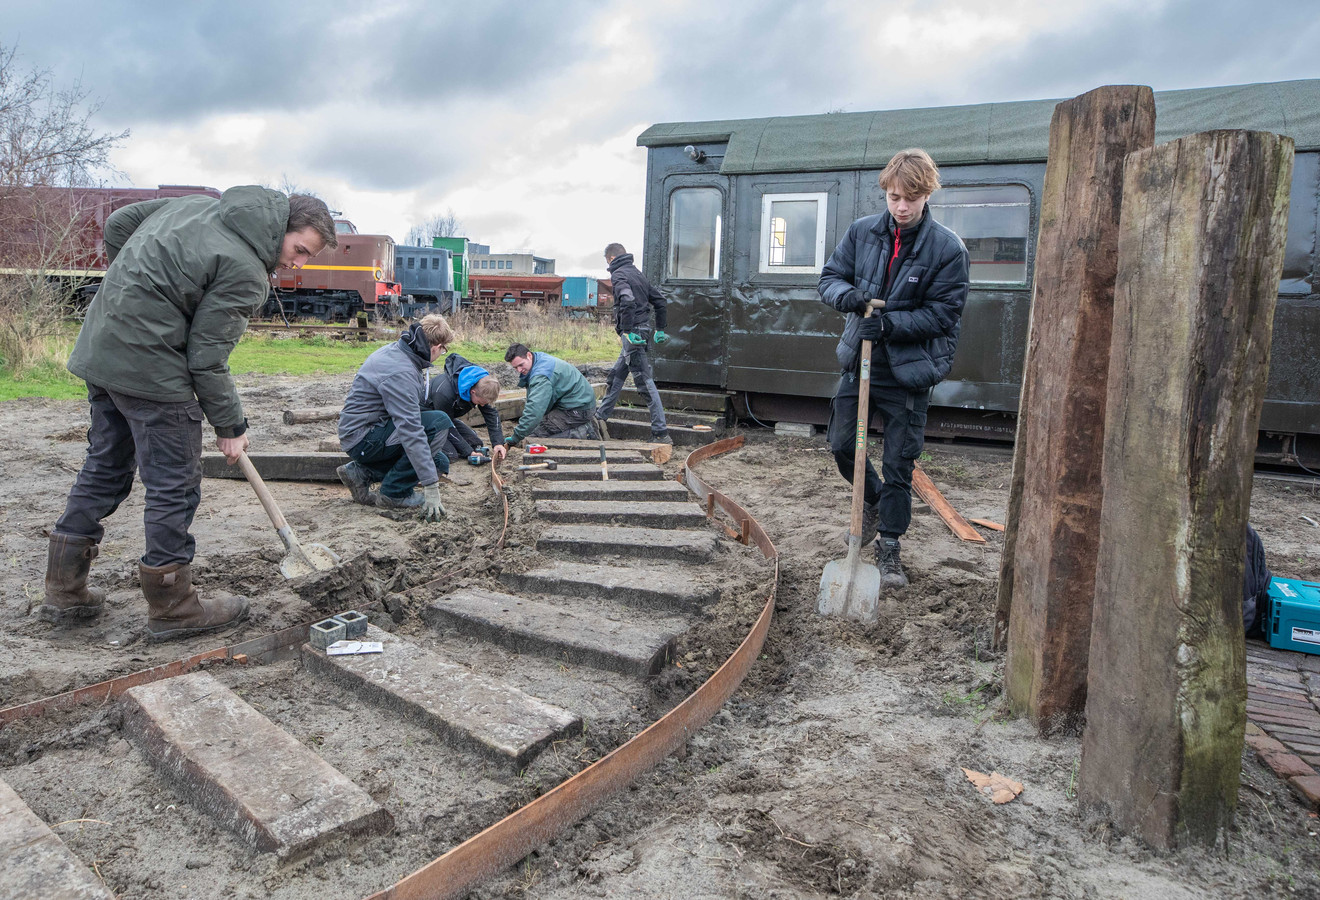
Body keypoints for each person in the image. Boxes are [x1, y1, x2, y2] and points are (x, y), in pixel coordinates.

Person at [42, 188, 337, 641]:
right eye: (299, 250)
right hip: (153, 373)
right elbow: (206, 360)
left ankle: (63, 593)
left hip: (102, 348)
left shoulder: (196, 205)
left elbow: (119, 224)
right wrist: (231, 428)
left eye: (307, 258)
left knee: (105, 466)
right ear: (280, 227)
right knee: (173, 485)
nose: (297, 264)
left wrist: (141, 289)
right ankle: (174, 608)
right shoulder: (245, 272)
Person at [819, 148, 970, 590]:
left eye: (911, 198)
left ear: (926, 195)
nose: (901, 207)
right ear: (885, 193)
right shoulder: (862, 232)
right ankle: (875, 500)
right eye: (894, 197)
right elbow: (830, 278)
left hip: (909, 371)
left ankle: (889, 547)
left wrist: (888, 324)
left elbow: (944, 313)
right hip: (859, 364)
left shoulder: (947, 249)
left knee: (899, 462)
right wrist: (847, 296)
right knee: (843, 444)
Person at [336, 315, 455, 519]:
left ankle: (362, 473)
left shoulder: (401, 351)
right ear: (436, 346)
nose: (441, 354)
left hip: (367, 429)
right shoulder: (402, 371)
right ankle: (394, 494)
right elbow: (410, 430)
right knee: (440, 423)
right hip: (364, 436)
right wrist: (430, 486)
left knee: (438, 461)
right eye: (443, 350)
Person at [595, 243, 671, 444]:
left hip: (633, 334)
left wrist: (627, 331)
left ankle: (661, 433)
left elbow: (627, 300)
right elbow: (661, 301)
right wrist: (660, 328)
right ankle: (600, 416)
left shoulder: (619, 274)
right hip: (643, 329)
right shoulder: (638, 274)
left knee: (645, 383)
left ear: (610, 258)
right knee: (617, 375)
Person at [501, 343, 602, 453]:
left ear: (529, 355)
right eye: (515, 367)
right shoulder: (538, 358)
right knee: (536, 426)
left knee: (534, 436)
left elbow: (534, 411)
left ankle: (582, 433)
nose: (519, 370)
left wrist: (517, 436)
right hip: (576, 402)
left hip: (577, 409)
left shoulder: (541, 376)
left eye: (521, 365)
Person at [423, 351, 504, 463]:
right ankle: (425, 443)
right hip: (427, 421)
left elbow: (491, 413)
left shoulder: (483, 385)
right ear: (472, 392)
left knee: (475, 444)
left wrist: (498, 443)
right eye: (480, 402)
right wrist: (468, 452)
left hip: (447, 418)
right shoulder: (444, 394)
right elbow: (447, 426)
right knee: (451, 455)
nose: (482, 405)